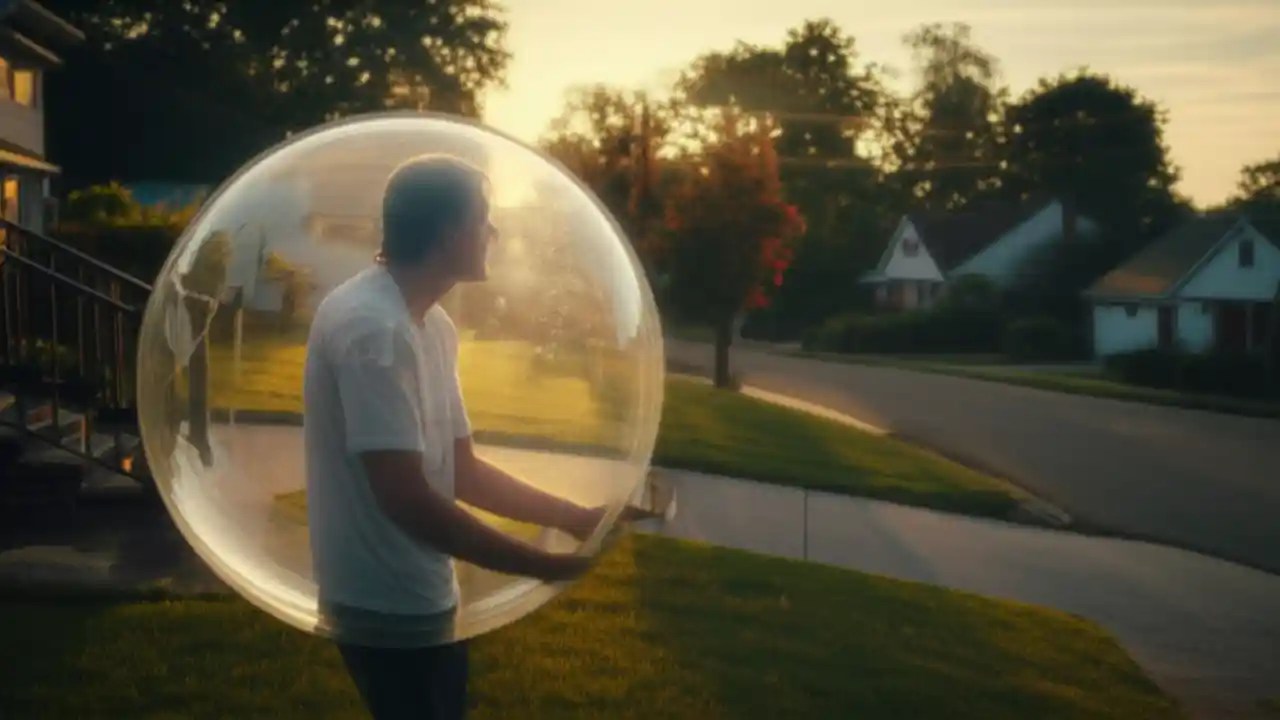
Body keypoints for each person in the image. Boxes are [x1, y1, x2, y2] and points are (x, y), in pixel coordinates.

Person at [302, 154, 618, 720]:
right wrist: (539, 564)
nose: (492, 233)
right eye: (483, 220)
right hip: (382, 603)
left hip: (422, 596)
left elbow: (461, 469)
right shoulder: (374, 329)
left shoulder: (430, 324)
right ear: (449, 234)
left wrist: (576, 518)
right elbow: (405, 498)